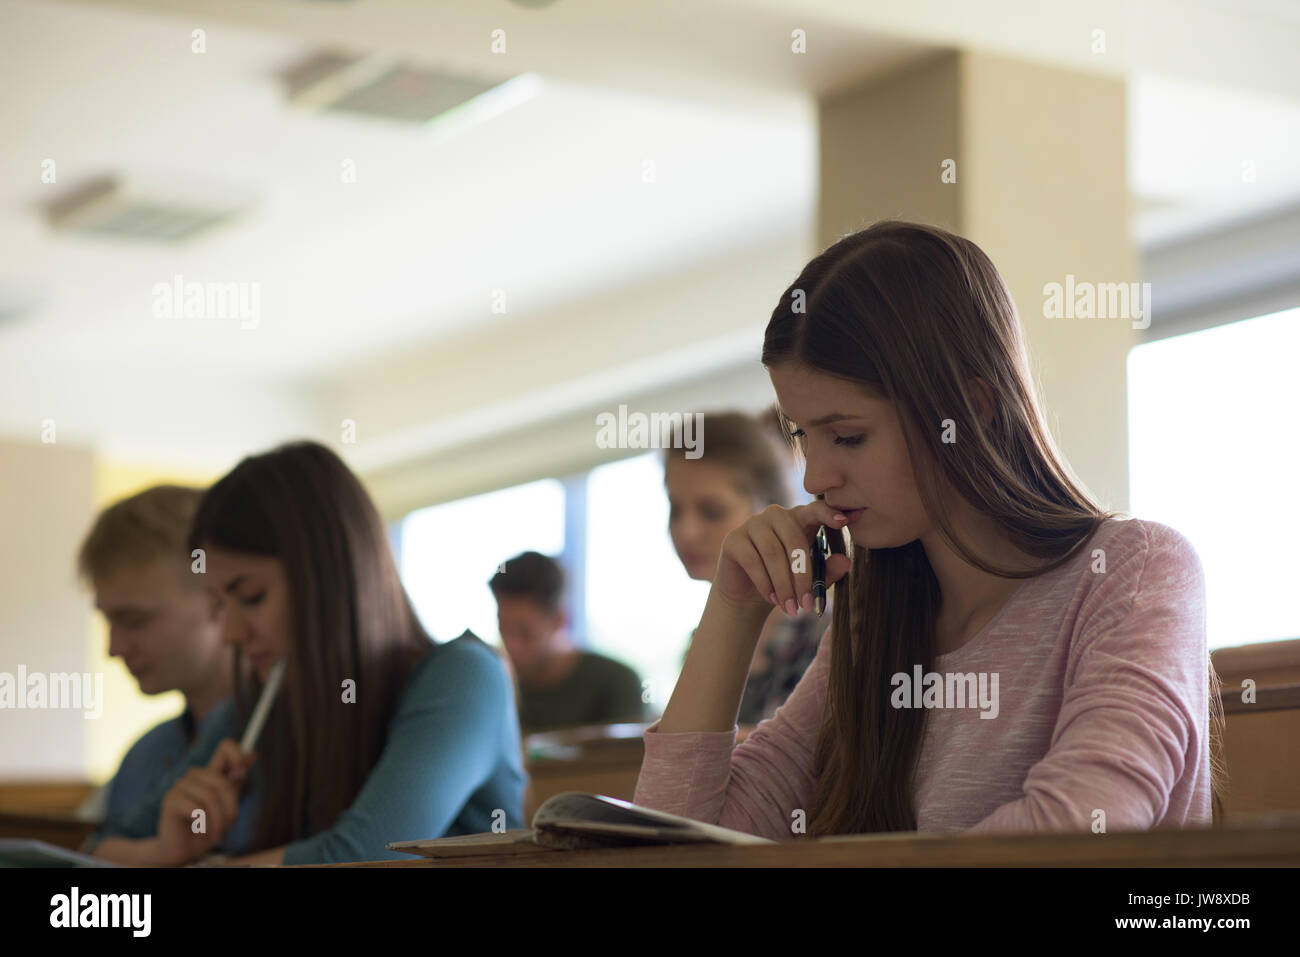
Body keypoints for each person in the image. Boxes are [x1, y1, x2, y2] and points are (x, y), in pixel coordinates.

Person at [635, 220, 1226, 838]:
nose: (814, 478)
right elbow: (677, 847)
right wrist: (733, 605)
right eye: (800, 436)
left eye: (848, 437)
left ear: (970, 409)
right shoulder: (871, 616)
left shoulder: (1139, 570)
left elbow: (1076, 831)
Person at [86, 441, 526, 865]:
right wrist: (164, 851)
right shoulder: (257, 710)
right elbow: (98, 850)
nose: (231, 634)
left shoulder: (464, 679)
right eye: (221, 604)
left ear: (330, 580)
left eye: (252, 596)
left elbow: (361, 859)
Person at [74, 485, 237, 838]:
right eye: (108, 620)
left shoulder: (298, 748)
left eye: (134, 620)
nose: (113, 649)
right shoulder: (144, 757)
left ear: (220, 599)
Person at [663, 411, 829, 724]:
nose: (686, 532)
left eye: (712, 511)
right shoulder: (697, 646)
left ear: (770, 509)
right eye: (675, 509)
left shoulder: (824, 633)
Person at [489, 551, 645, 732]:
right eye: (503, 628)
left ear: (559, 620)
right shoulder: (494, 685)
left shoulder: (617, 683)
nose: (511, 644)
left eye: (525, 632)